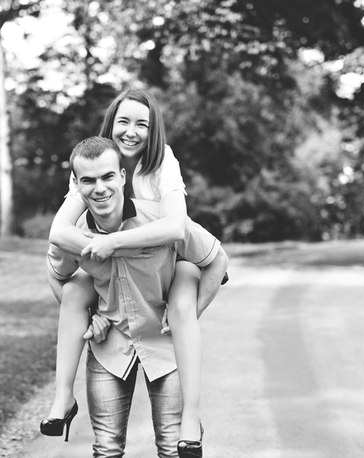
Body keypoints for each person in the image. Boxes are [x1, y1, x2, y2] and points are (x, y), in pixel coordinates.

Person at [41, 87, 214, 451]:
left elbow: (177, 228)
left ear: (122, 176)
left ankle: (191, 416)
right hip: (114, 298)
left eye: (142, 124)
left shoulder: (162, 162)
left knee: (183, 298)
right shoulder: (92, 165)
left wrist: (115, 243)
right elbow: (58, 236)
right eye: (123, 121)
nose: (131, 132)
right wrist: (89, 311)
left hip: (166, 267)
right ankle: (62, 396)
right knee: (75, 289)